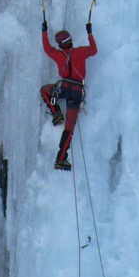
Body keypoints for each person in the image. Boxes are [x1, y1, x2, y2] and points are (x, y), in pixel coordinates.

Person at [40, 16, 97, 171]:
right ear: (71, 40)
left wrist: (44, 31)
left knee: (46, 92)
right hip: (77, 92)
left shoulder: (58, 55)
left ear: (60, 44)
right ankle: (61, 157)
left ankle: (56, 111)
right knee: (69, 127)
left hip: (63, 88)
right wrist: (90, 33)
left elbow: (47, 48)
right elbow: (94, 50)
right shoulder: (81, 52)